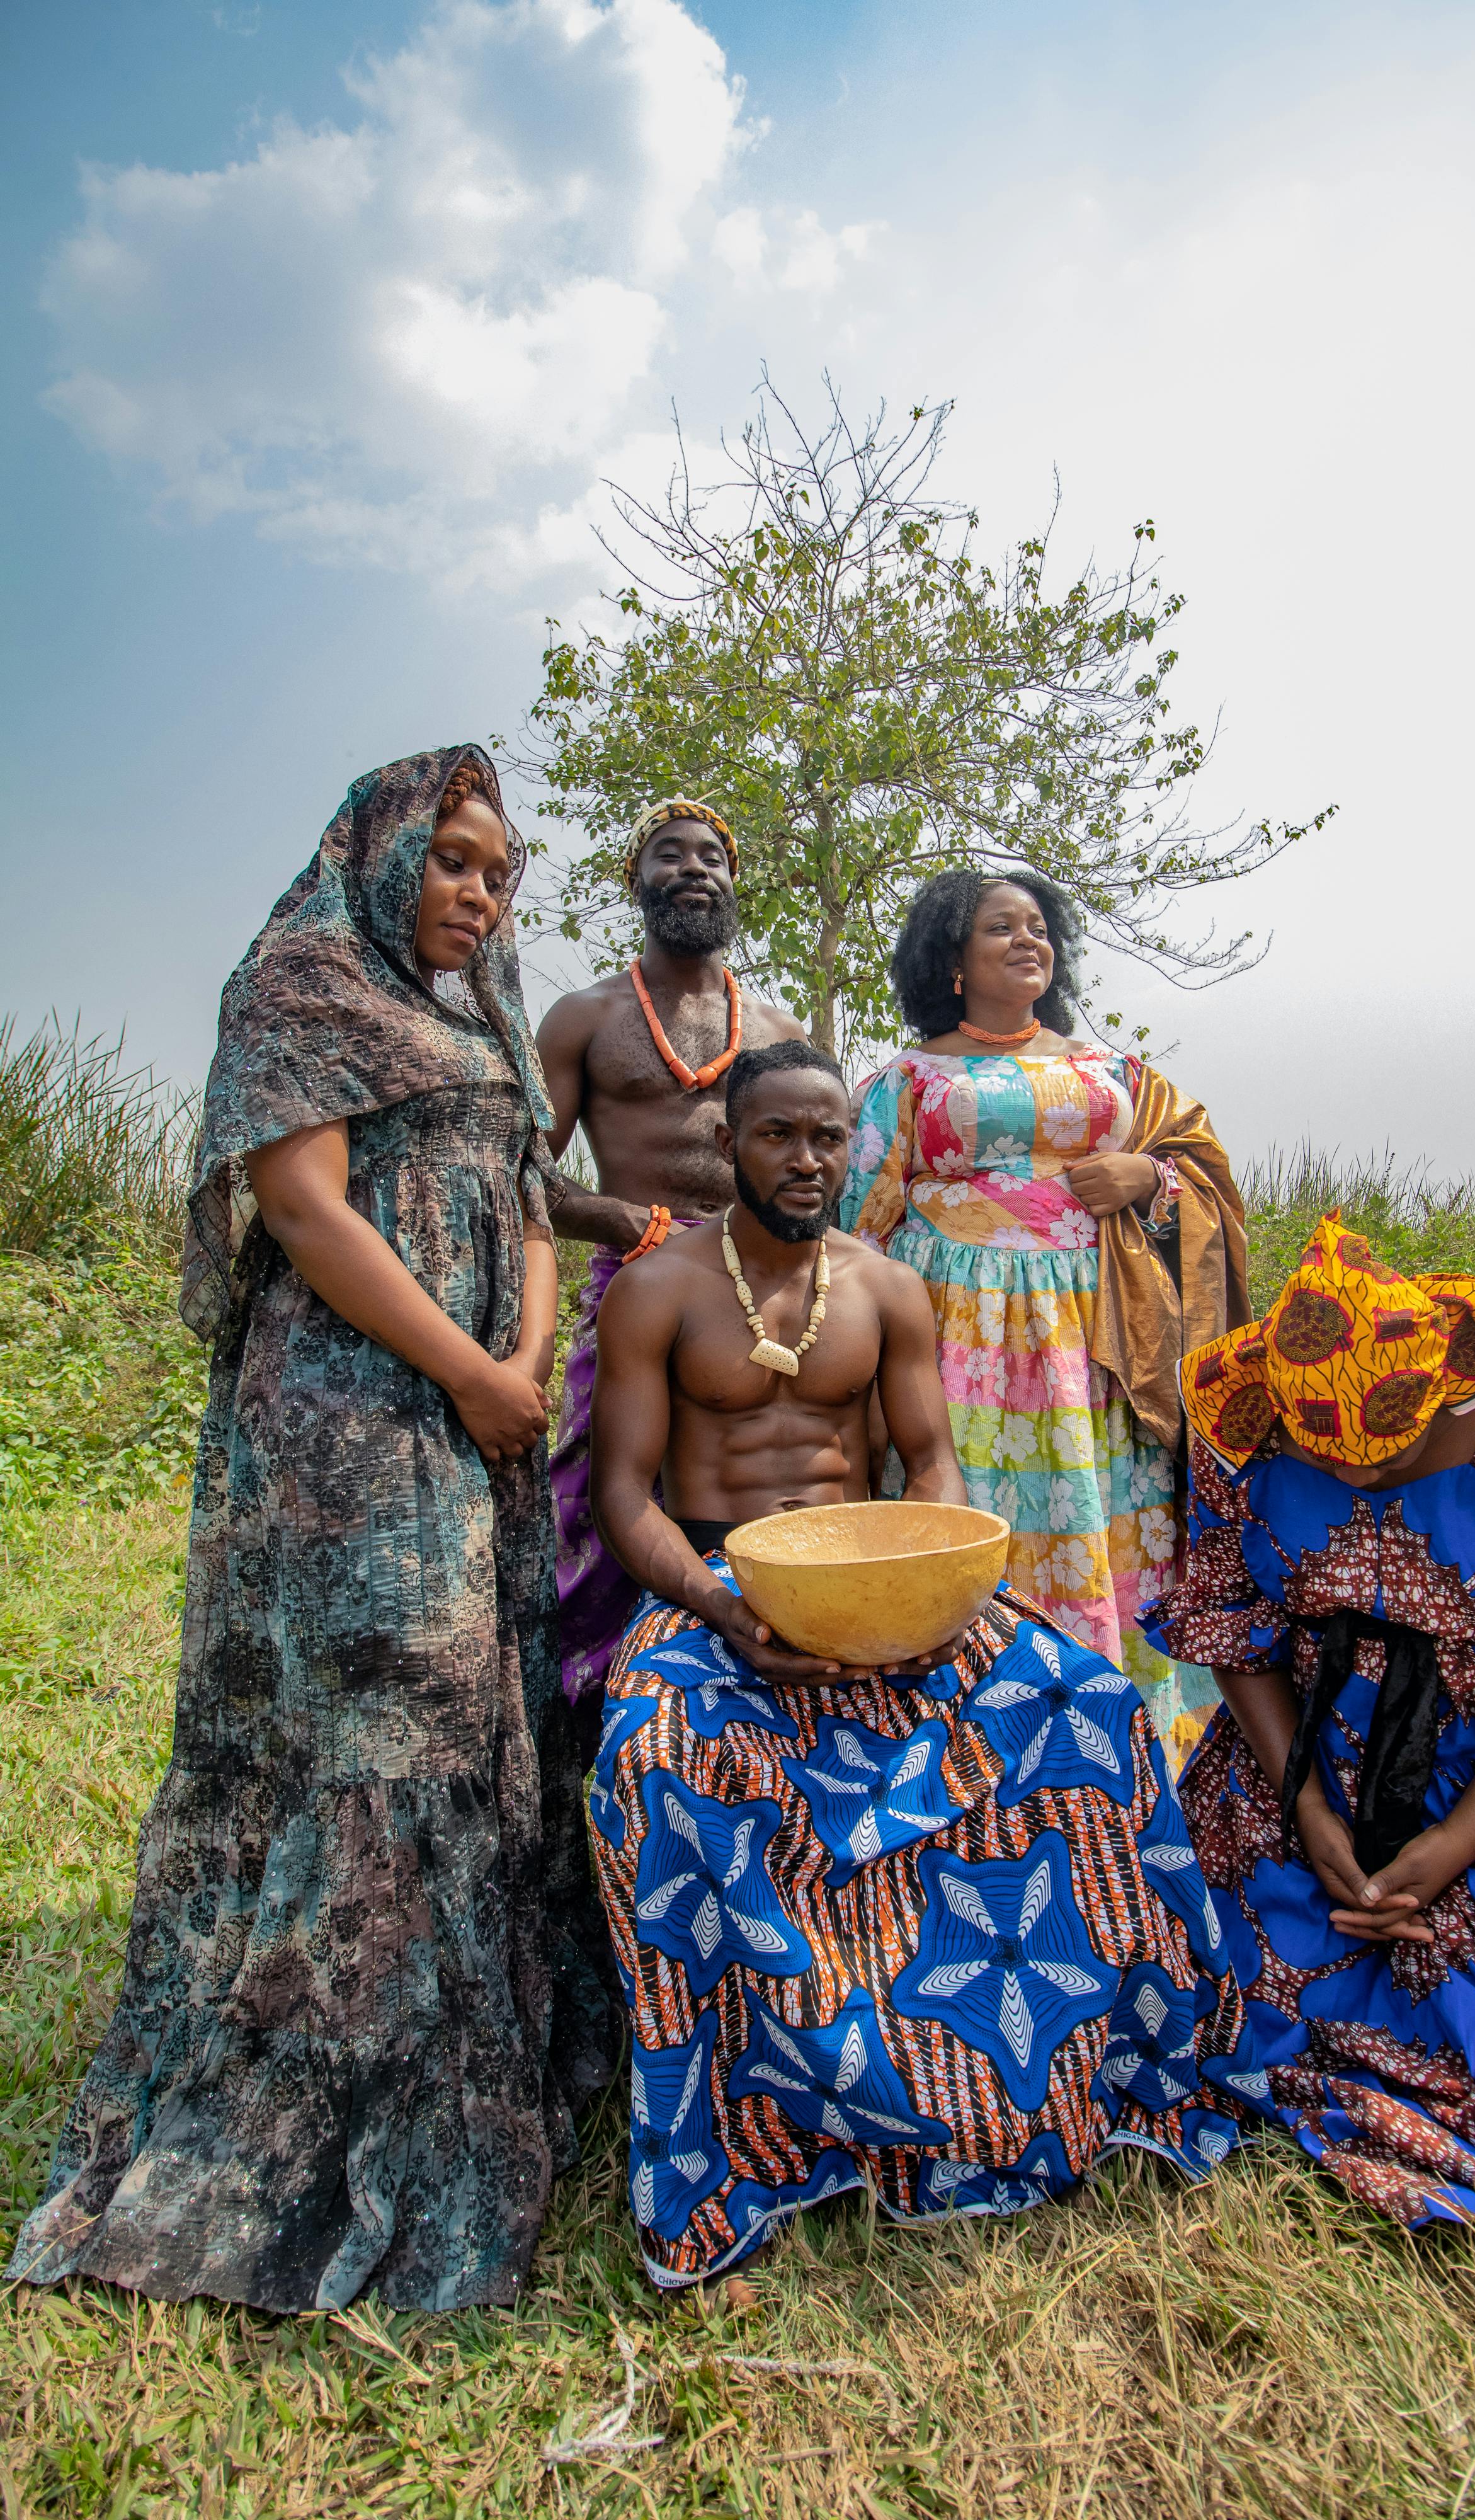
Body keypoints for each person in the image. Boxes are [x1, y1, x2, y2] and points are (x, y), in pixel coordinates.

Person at [8, 746, 606, 2313]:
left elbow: (535, 1201)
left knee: (474, 1709)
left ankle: (463, 2082)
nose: (479, 892)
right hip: (350, 1414)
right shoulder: (299, 978)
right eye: (455, 859)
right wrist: (470, 1367)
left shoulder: (479, 1013)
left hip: (481, 1407)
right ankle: (323, 2102)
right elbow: (304, 1206)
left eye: (499, 869)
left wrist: (523, 1358)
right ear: (386, 846)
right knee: (384, 1710)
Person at [585, 1040, 1258, 2295]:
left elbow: (928, 1458)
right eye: (779, 1134)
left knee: (1082, 1704)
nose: (806, 1159)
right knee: (655, 1755)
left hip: (888, 1579)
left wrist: (933, 1575)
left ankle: (1082, 2062)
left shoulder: (887, 1285)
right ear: (728, 1142)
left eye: (828, 1136)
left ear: (854, 1145)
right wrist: (718, 1609)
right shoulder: (659, 1289)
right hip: (721, 1588)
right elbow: (627, 1497)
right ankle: (758, 2106)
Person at [1143, 1208, 1475, 2230]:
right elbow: (1233, 1629)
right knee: (1202, 1990)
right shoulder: (1239, 1422)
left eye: (1386, 1462)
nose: (1350, 1480)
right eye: (1324, 1460)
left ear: (1450, 1396)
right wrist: (1304, 1806)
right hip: (1297, 1745)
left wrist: (1447, 1848)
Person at [841, 869, 1248, 1773]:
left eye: (1038, 926)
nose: (1028, 941)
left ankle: (1123, 1750)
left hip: (1103, 1338)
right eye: (1000, 928)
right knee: (975, 1516)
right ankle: (969, 1752)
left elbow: (1205, 1173)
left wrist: (1152, 1180)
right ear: (952, 959)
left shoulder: (1115, 1074)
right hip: (958, 1337)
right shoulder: (907, 1081)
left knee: (1104, 1515)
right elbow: (855, 1223)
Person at [535, 801, 804, 1708]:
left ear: (733, 885)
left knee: (755, 1493)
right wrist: (623, 1224)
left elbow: (815, 1165)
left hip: (758, 1292)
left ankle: (743, 1707)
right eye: (669, 855)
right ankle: (584, 1714)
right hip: (637, 1284)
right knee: (596, 1492)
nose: (694, 869)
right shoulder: (585, 1018)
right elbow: (514, 1174)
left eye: (712, 858)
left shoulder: (775, 1028)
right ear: (636, 880)